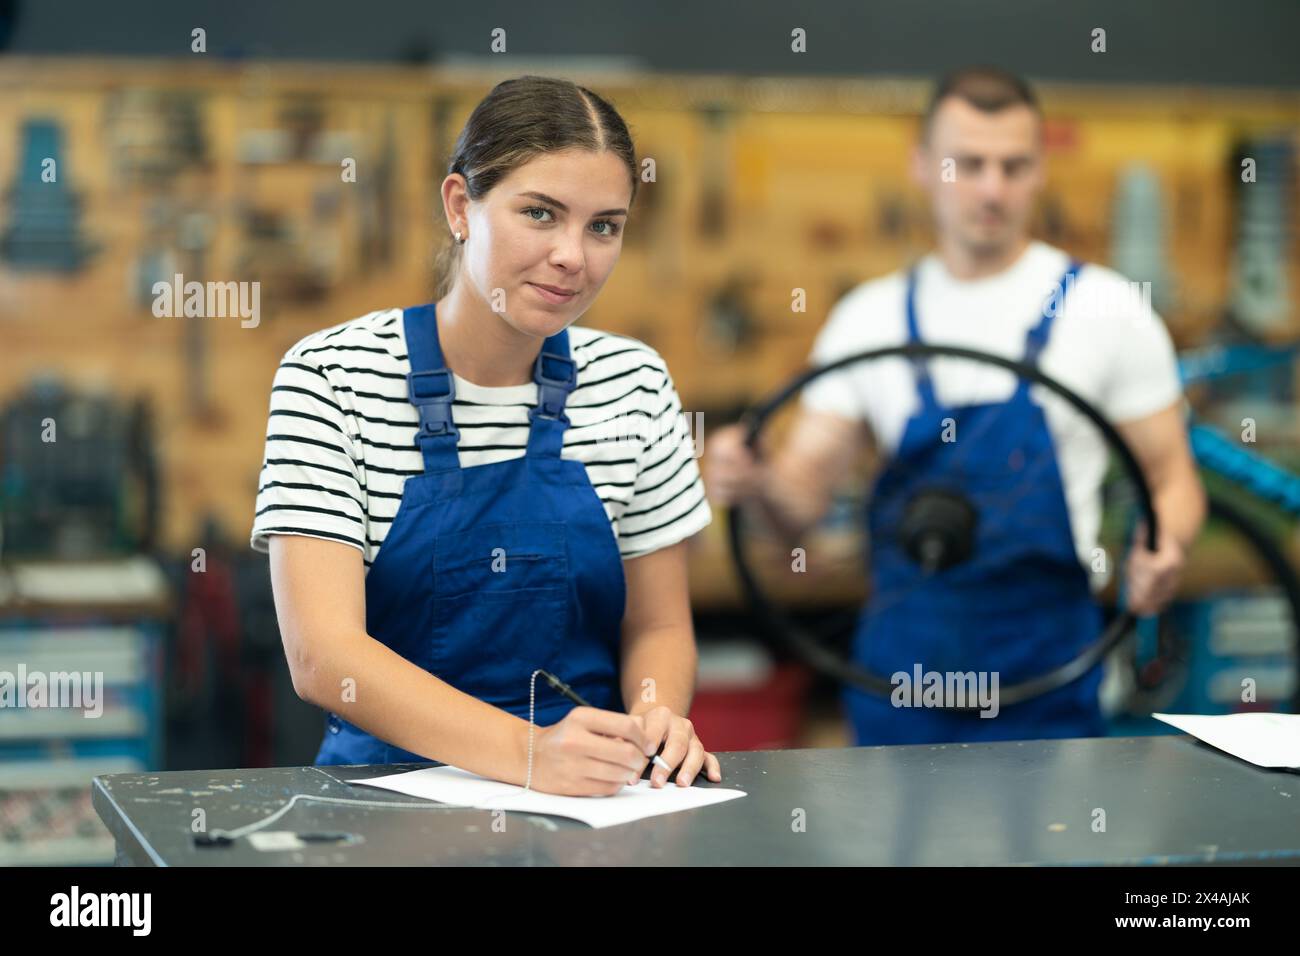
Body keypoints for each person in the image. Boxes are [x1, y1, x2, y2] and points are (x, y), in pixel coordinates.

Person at [705, 66, 1206, 746]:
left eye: (1014, 165)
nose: (992, 188)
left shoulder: (1107, 309)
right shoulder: (869, 320)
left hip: (1048, 684)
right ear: (922, 166)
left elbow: (1171, 476)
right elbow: (800, 506)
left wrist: (1164, 544)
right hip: (901, 684)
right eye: (968, 164)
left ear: (1040, 172)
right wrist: (756, 481)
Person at [252, 75, 721, 795]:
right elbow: (324, 657)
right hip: (385, 808)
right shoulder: (332, 377)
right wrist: (530, 753)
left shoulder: (634, 382)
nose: (574, 255)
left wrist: (657, 717)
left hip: (590, 803)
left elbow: (657, 625)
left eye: (604, 225)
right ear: (461, 206)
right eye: (540, 213)